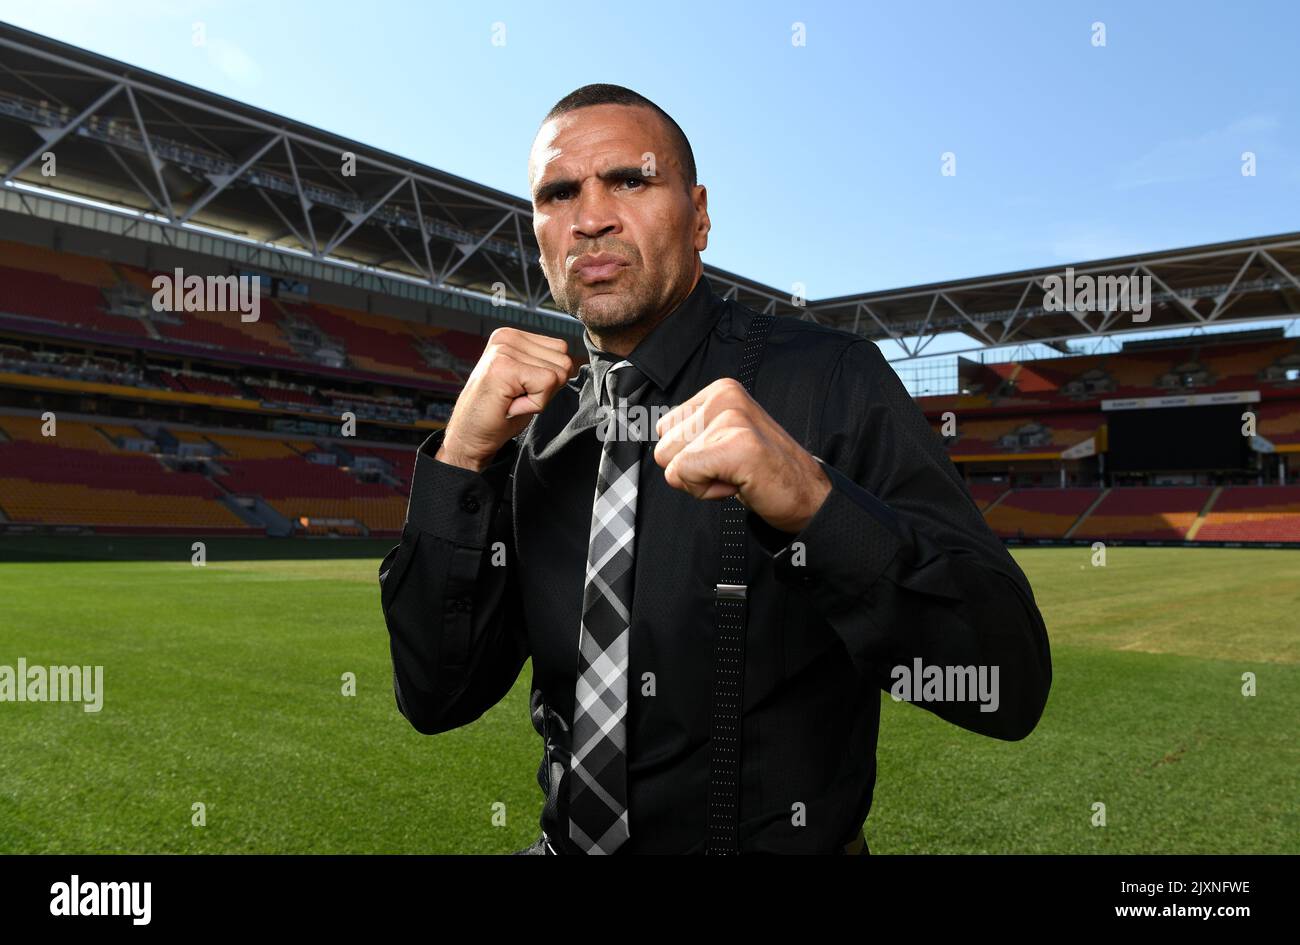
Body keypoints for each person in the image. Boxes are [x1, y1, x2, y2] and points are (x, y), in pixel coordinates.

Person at [378, 83, 1052, 855]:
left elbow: (1009, 684)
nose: (591, 217)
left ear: (699, 214)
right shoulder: (533, 431)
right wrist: (461, 461)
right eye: (559, 193)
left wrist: (817, 506)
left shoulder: (832, 381)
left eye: (630, 180)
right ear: (538, 233)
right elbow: (435, 695)